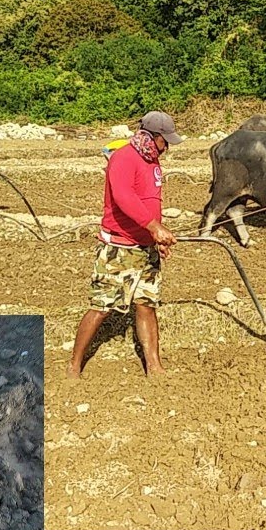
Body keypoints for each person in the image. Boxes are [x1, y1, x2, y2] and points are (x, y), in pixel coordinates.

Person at [69, 111, 183, 378]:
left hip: (146, 248)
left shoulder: (153, 162)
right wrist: (154, 227)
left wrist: (157, 236)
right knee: (102, 308)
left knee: (147, 305)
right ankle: (74, 365)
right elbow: (123, 197)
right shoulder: (123, 158)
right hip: (119, 248)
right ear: (153, 137)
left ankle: (154, 366)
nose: (167, 148)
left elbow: (151, 202)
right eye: (165, 142)